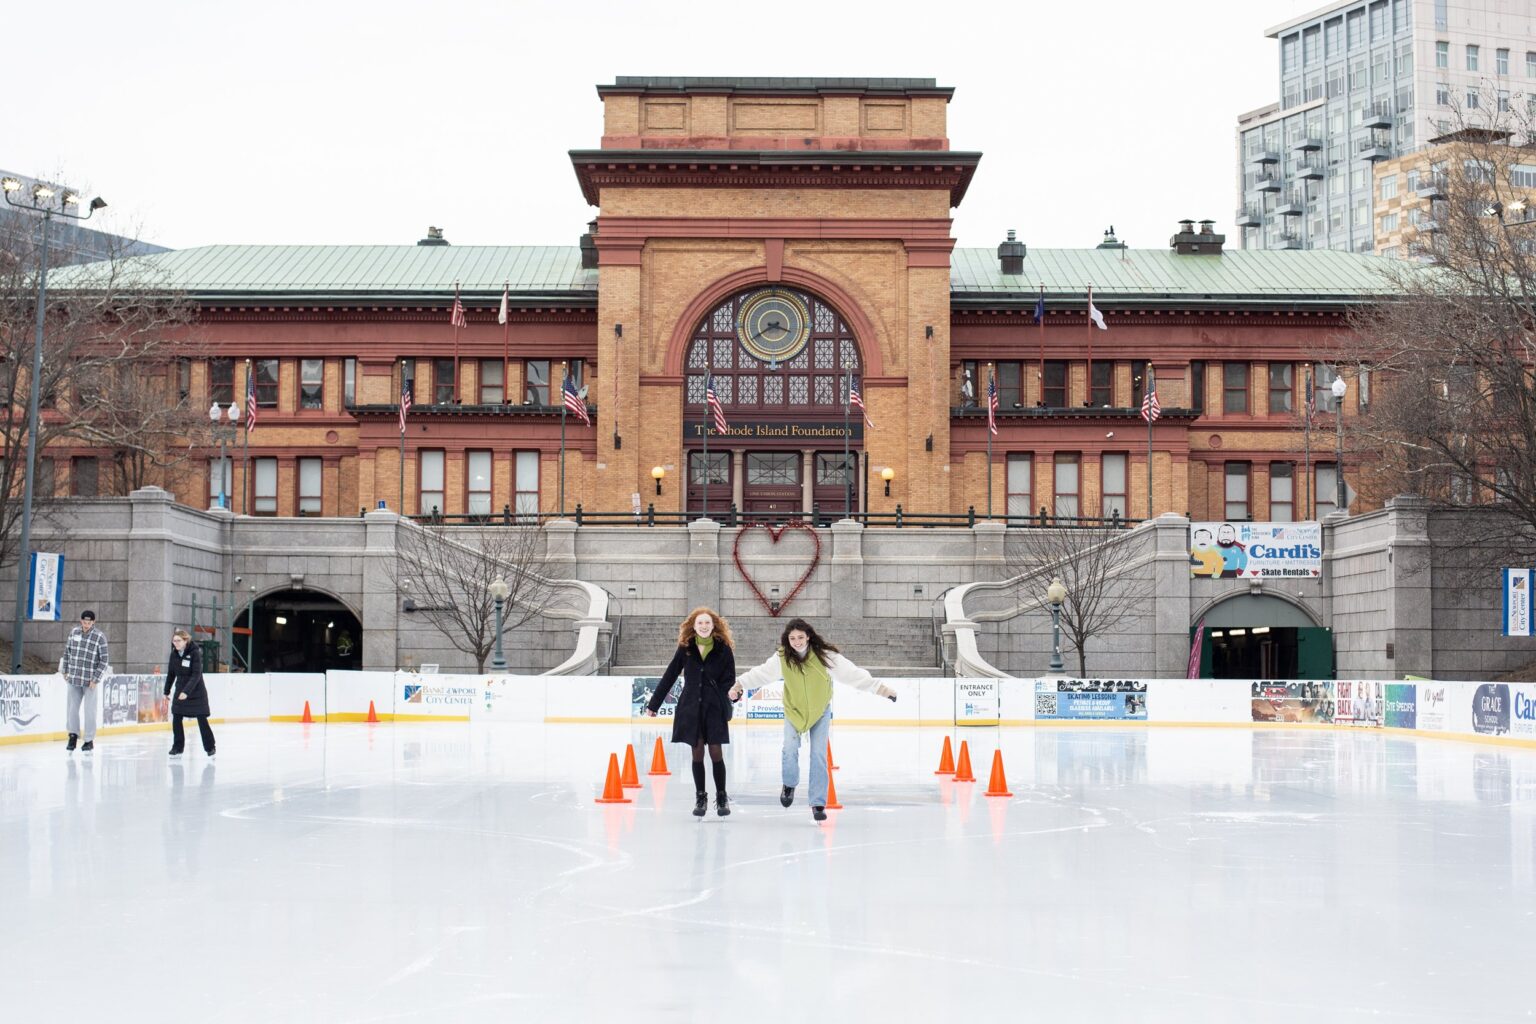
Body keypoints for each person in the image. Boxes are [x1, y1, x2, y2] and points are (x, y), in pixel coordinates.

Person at [732, 618, 896, 823]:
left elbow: (852, 674)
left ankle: (818, 802)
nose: (797, 641)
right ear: (787, 639)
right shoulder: (782, 657)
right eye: (792, 638)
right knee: (789, 749)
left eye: (800, 637)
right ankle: (789, 784)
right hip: (794, 710)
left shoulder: (824, 656)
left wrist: (881, 689)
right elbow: (761, 674)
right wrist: (739, 685)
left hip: (820, 711)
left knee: (819, 755)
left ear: (808, 636)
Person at [642, 607, 737, 818]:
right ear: (693, 626)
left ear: (714, 626)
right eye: (700, 623)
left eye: (707, 623)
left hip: (714, 709)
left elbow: (729, 679)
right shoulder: (685, 648)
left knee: (715, 752)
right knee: (697, 753)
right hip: (691, 708)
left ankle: (721, 796)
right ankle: (700, 797)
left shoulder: (724, 649)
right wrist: (654, 704)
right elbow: (670, 676)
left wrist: (730, 696)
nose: (704, 626)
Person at [58, 609, 110, 754]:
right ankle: (72, 735)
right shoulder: (74, 633)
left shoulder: (99, 637)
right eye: (84, 622)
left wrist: (96, 679)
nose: (86, 624)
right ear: (81, 621)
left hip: (89, 681)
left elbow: (104, 660)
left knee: (89, 711)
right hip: (74, 678)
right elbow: (67, 652)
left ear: (93, 622)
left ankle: (88, 740)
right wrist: (65, 670)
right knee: (72, 709)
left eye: (89, 622)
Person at [165, 628, 216, 759]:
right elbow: (171, 674)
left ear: (185, 641)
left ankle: (210, 747)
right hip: (181, 690)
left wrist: (186, 692)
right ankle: (177, 747)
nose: (175, 643)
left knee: (202, 719)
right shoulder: (174, 655)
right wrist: (167, 690)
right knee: (176, 717)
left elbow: (196, 674)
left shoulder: (195, 653)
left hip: (196, 692)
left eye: (178, 641)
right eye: (174, 641)